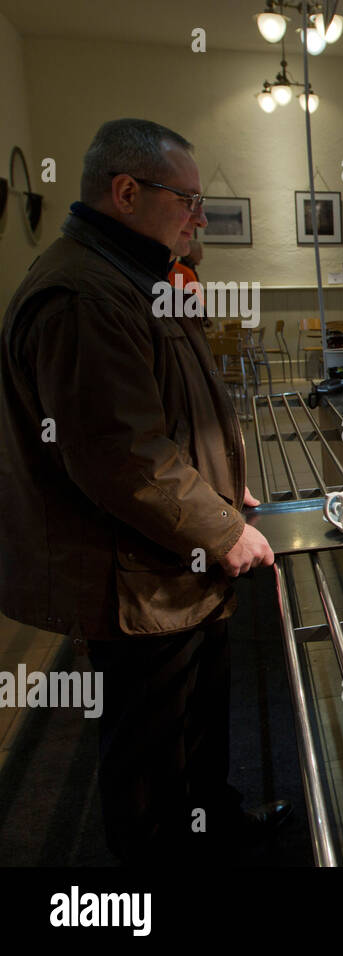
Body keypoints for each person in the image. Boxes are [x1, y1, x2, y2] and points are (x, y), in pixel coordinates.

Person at [0, 118, 286, 863]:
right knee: (149, 758)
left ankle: (215, 832)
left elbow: (179, 412)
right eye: (186, 199)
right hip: (135, 577)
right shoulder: (83, 293)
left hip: (174, 560)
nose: (198, 216)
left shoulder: (140, 272)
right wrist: (222, 531)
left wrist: (230, 495)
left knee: (196, 729)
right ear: (126, 192)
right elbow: (122, 456)